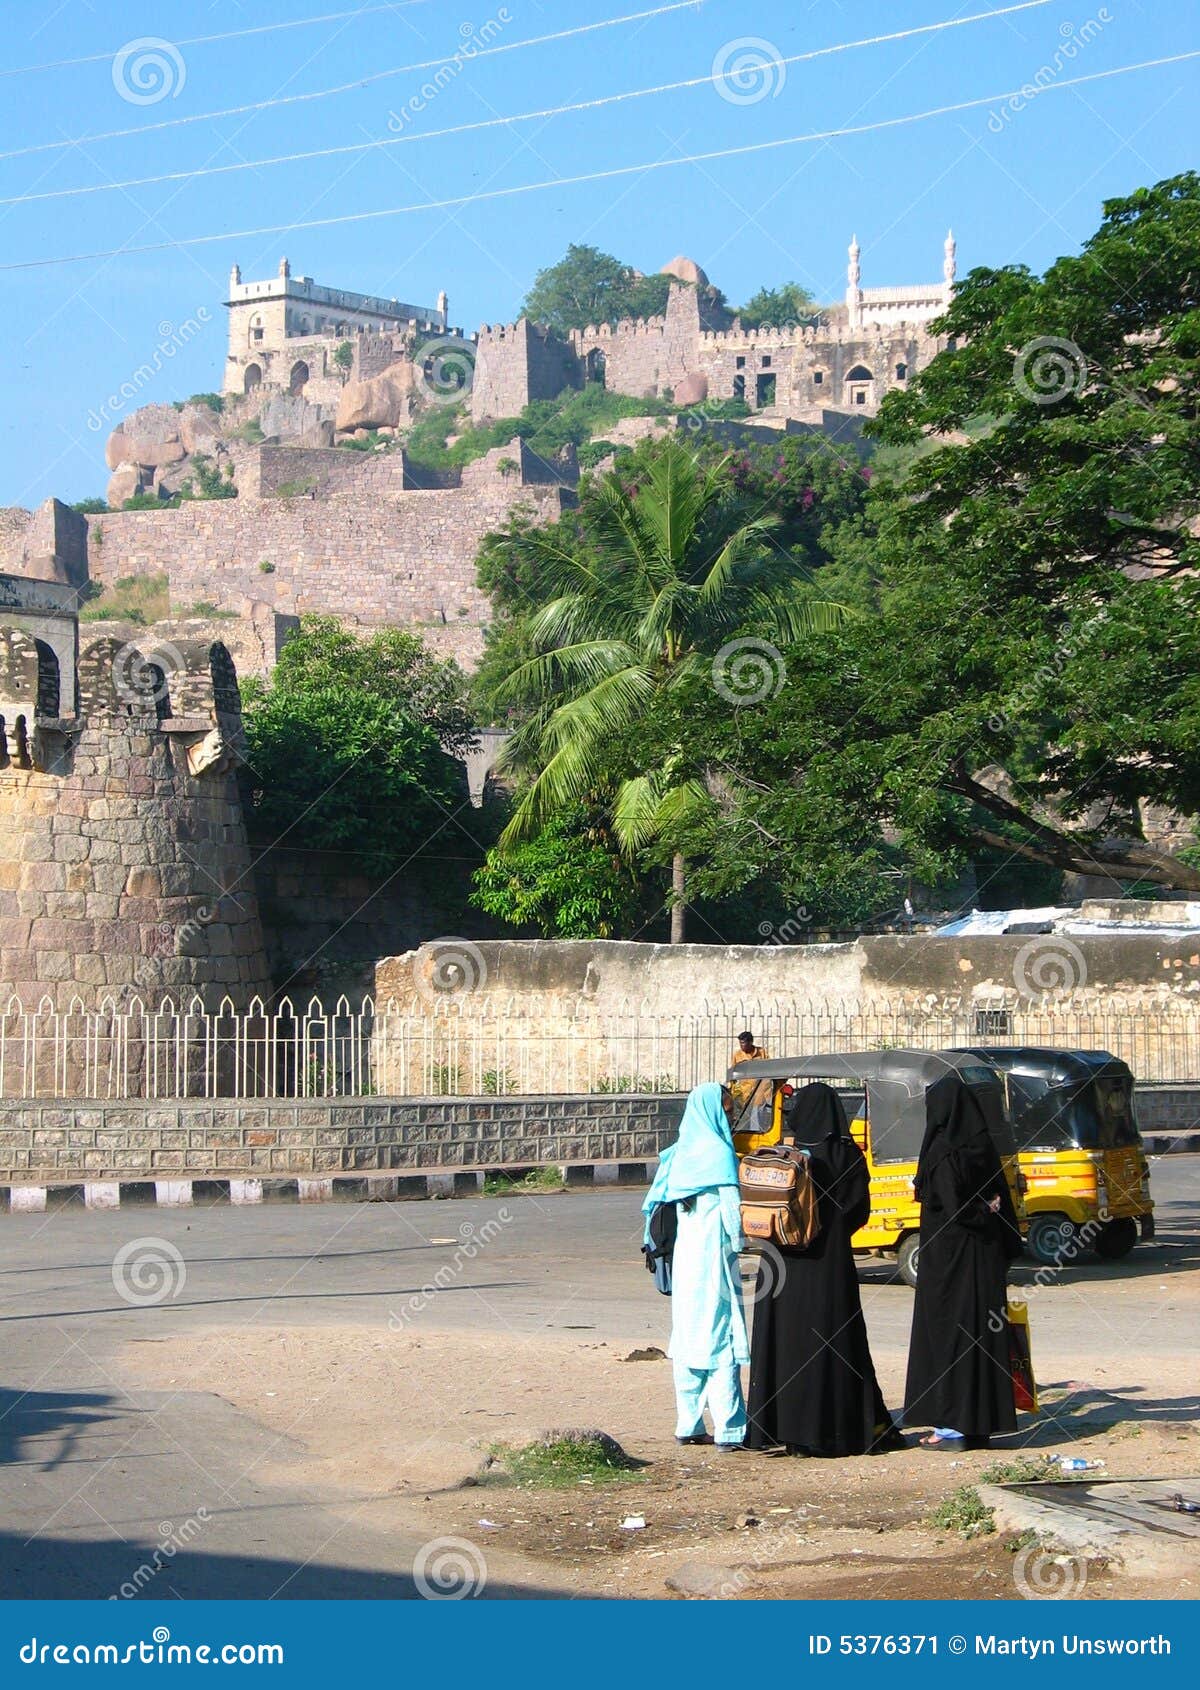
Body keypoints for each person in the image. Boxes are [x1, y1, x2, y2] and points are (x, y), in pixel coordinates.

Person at [746, 1083, 900, 1457]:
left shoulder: (784, 1155)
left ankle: (786, 1432)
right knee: (832, 1344)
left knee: (783, 1345)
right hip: (828, 1267)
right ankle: (828, 1430)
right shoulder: (846, 1156)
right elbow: (858, 1213)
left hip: (780, 1265)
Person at [903, 1071, 1024, 1450]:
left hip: (947, 1263)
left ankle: (951, 1426)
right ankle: (978, 1424)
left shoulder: (940, 1151)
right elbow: (998, 1201)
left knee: (949, 1339)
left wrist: (978, 1211)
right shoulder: (981, 1144)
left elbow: (951, 1208)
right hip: (983, 1258)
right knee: (981, 1338)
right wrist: (988, 1212)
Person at [643, 1082, 749, 1450]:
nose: (730, 1116)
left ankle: (687, 1423)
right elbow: (733, 1217)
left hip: (685, 1261)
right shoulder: (720, 1154)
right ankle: (730, 1429)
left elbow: (653, 1207)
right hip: (715, 1259)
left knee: (687, 1339)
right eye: (727, 1109)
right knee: (721, 1338)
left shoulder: (678, 1153)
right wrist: (743, 1246)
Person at [729, 1030, 771, 1134]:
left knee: (757, 1118)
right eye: (740, 1043)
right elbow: (732, 1074)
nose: (742, 1046)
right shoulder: (737, 1055)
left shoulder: (762, 1052)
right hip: (744, 1092)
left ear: (751, 1042)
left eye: (744, 1043)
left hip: (760, 1091)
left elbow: (770, 1070)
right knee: (743, 1120)